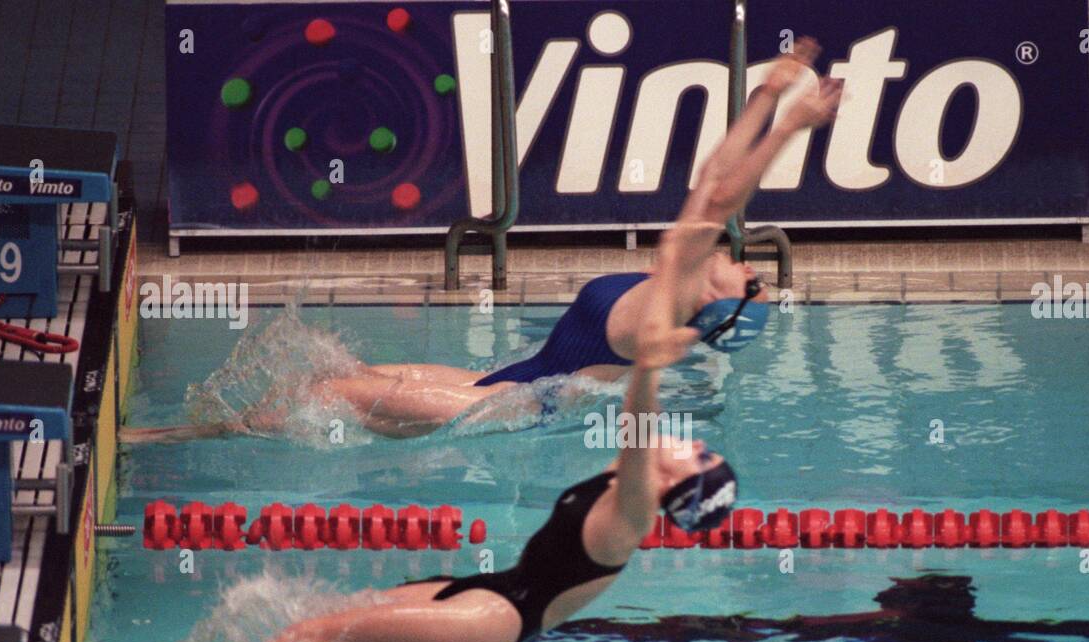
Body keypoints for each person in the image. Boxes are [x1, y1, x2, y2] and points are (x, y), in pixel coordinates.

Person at [120, 38, 843, 443]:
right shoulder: (681, 285)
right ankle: (207, 428)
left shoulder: (676, 296)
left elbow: (718, 195)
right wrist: (764, 99)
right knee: (340, 375)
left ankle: (173, 440)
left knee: (337, 393)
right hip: (514, 380)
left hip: (512, 411)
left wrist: (786, 123)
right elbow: (714, 176)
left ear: (718, 306)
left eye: (751, 284)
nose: (747, 265)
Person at [93, 245, 736, 642]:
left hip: (490, 618)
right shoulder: (628, 486)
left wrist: (650, 367)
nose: (691, 445)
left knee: (311, 639)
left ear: (678, 487)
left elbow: (639, 423)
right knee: (314, 627)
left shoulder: (629, 513)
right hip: (479, 595)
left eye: (700, 459)